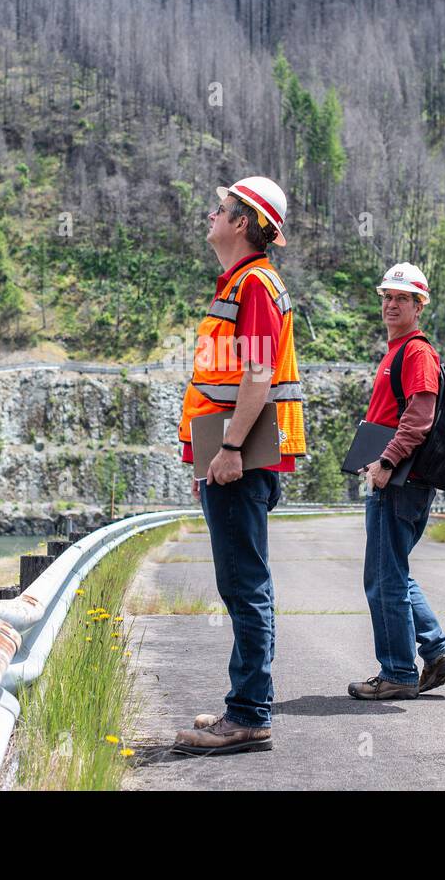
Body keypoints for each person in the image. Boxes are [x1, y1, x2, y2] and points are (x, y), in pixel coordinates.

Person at [171, 176, 306, 755]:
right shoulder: (241, 284)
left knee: (245, 587)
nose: (211, 213)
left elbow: (256, 376)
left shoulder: (254, 285)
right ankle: (243, 705)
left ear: (244, 222)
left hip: (238, 455)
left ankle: (249, 714)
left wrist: (227, 450)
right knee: (244, 584)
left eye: (221, 208)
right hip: (231, 452)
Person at [347, 263, 445, 701]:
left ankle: (397, 672)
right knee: (392, 572)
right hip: (394, 479)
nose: (391, 305)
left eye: (402, 299)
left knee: (384, 579)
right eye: (387, 298)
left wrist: (388, 461)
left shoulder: (416, 353)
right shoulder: (398, 351)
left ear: (419, 305)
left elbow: (419, 417)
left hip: (400, 481)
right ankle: (435, 652)